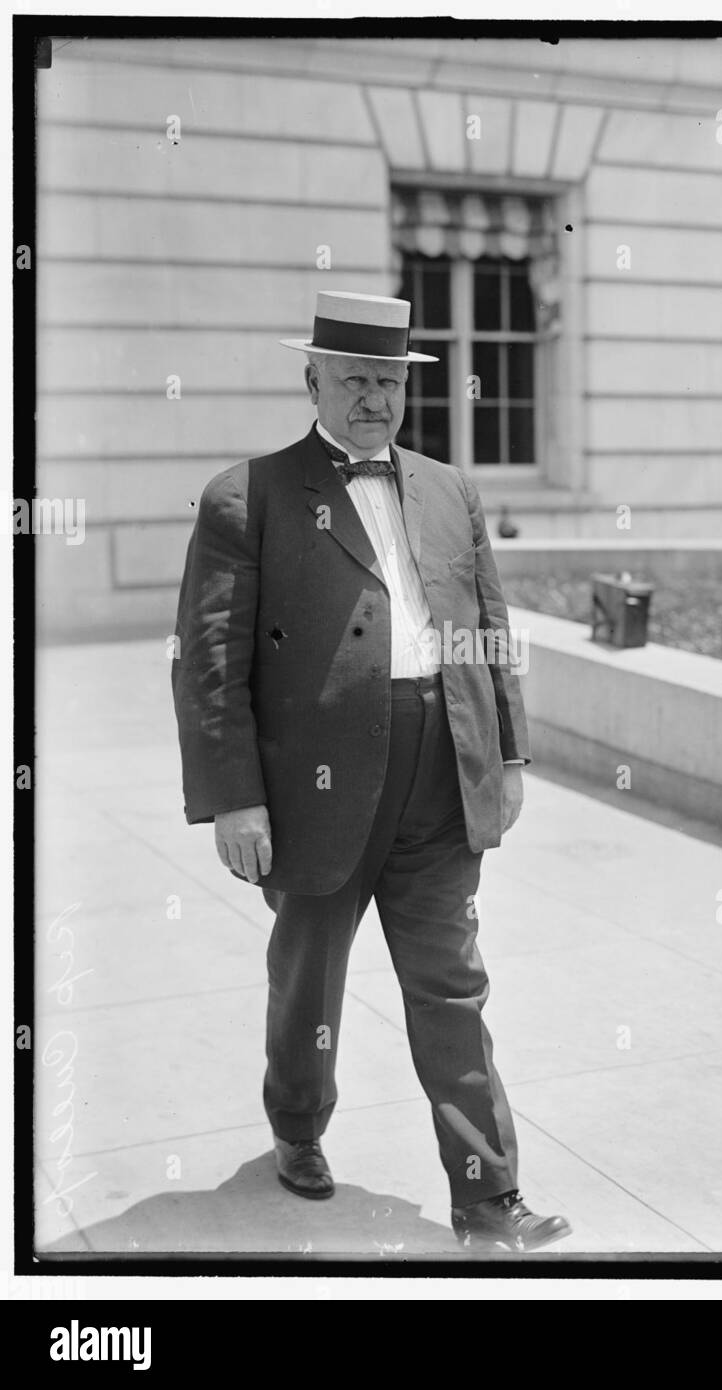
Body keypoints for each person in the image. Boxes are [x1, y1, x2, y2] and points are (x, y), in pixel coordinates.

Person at [171, 290, 570, 1252]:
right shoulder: (250, 495)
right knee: (308, 979)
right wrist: (235, 798)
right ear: (311, 379)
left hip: (439, 769)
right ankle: (297, 1129)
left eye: (388, 381)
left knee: (452, 985)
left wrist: (506, 753)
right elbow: (210, 659)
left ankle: (487, 1199)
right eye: (353, 378)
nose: (373, 398)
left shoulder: (449, 490)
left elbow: (486, 628)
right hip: (314, 784)